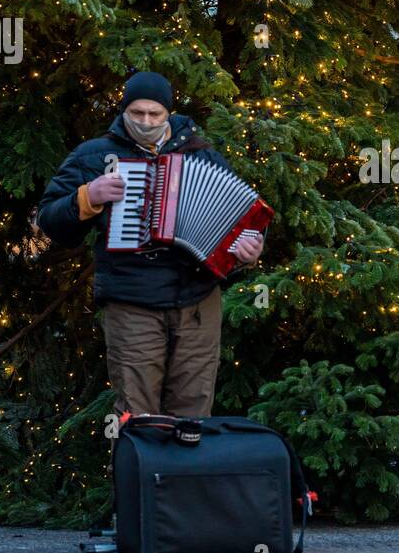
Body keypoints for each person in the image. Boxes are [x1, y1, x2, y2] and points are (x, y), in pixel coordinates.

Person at [36, 71, 263, 422]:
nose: (145, 122)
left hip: (198, 302)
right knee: (137, 414)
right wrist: (87, 197)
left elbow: (239, 224)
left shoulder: (203, 156)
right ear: (123, 110)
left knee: (193, 413)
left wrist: (248, 252)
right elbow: (50, 221)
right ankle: (136, 477)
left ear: (168, 113)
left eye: (154, 114)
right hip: (132, 301)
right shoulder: (94, 156)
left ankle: (183, 478)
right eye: (136, 113)